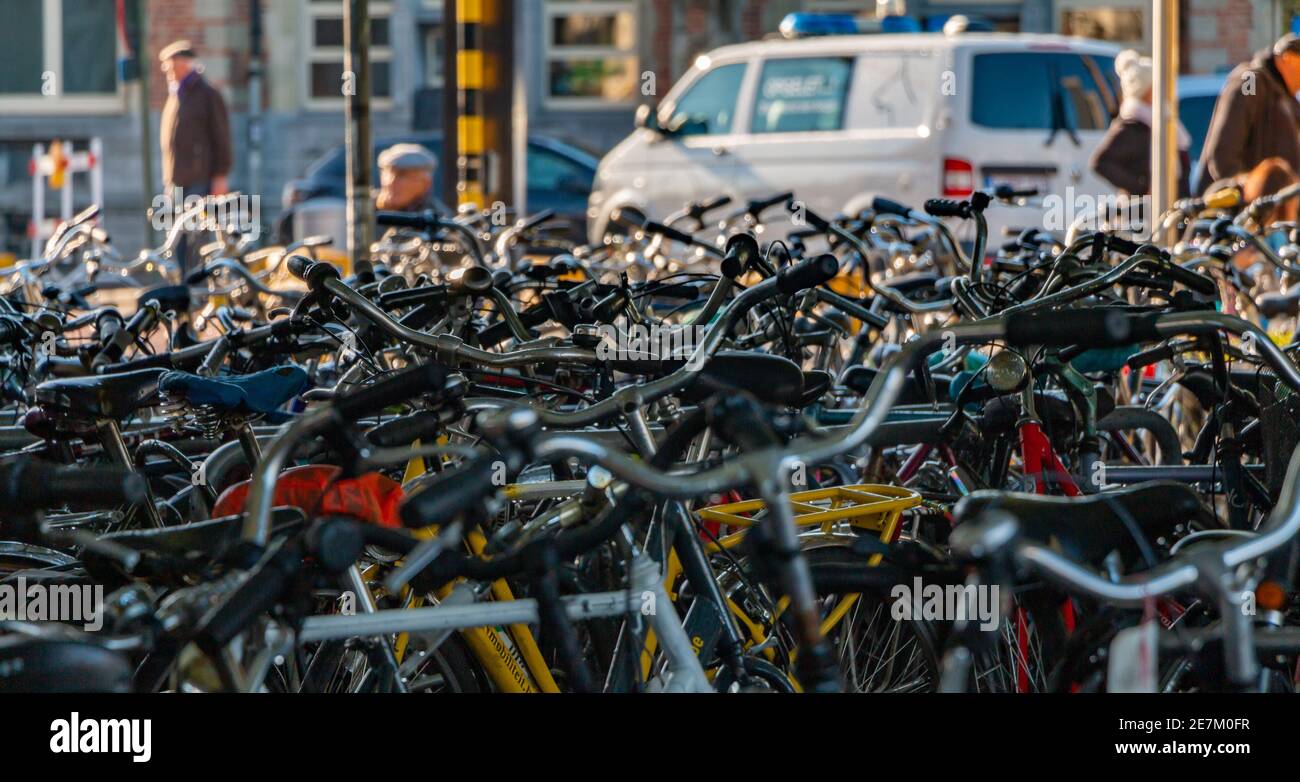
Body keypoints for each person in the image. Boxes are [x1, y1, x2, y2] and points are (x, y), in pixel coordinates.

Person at [159, 41, 233, 273]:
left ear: (185, 65)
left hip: (199, 178)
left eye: (173, 67)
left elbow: (222, 136)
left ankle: (197, 286)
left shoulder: (207, 94)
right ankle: (182, 286)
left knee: (196, 237)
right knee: (175, 236)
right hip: (176, 179)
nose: (170, 73)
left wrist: (220, 175)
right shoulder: (176, 95)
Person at [1194, 34, 1300, 195]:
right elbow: (1224, 156)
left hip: (1273, 209)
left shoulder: (1286, 97)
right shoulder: (1250, 80)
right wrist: (1250, 192)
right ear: (1287, 59)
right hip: (1241, 211)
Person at [1090, 49, 1191, 198]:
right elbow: (1101, 163)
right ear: (1146, 90)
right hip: (1145, 213)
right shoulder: (1133, 125)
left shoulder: (1160, 119)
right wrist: (1142, 188)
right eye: (1156, 86)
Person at [375, 144, 438, 212]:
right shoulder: (364, 205)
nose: (391, 182)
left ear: (425, 183)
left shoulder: (437, 219)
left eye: (402, 175)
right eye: (388, 174)